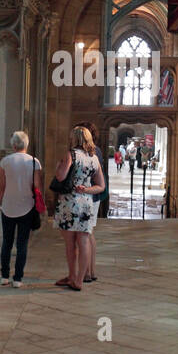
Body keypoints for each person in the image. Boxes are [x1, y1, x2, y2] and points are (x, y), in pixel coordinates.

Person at [50, 125, 104, 290]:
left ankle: (72, 276)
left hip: (69, 202)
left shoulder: (71, 154)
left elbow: (60, 176)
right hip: (86, 203)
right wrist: (86, 189)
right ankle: (79, 280)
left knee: (70, 244)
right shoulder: (93, 158)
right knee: (84, 241)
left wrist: (60, 164)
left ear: (74, 138)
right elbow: (101, 186)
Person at [0, 130, 42, 288]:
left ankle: (4, 276)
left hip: (8, 206)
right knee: (22, 244)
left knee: (6, 242)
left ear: (13, 145)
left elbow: (2, 186)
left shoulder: (5, 161)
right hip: (27, 206)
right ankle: (18, 278)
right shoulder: (34, 162)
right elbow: (36, 186)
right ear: (26, 145)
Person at [75, 120, 104, 281]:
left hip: (87, 195)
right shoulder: (96, 151)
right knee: (89, 233)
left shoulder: (90, 152)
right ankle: (90, 271)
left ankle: (86, 272)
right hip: (93, 195)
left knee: (85, 234)